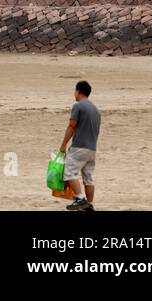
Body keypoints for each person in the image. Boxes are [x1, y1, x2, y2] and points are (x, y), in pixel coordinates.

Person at [58, 80, 101, 211]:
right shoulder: (96, 109)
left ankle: (80, 199)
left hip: (79, 147)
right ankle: (89, 205)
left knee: (69, 173)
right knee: (88, 178)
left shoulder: (78, 106)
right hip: (92, 148)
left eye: (75, 91)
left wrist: (63, 144)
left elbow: (72, 126)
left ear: (78, 91)